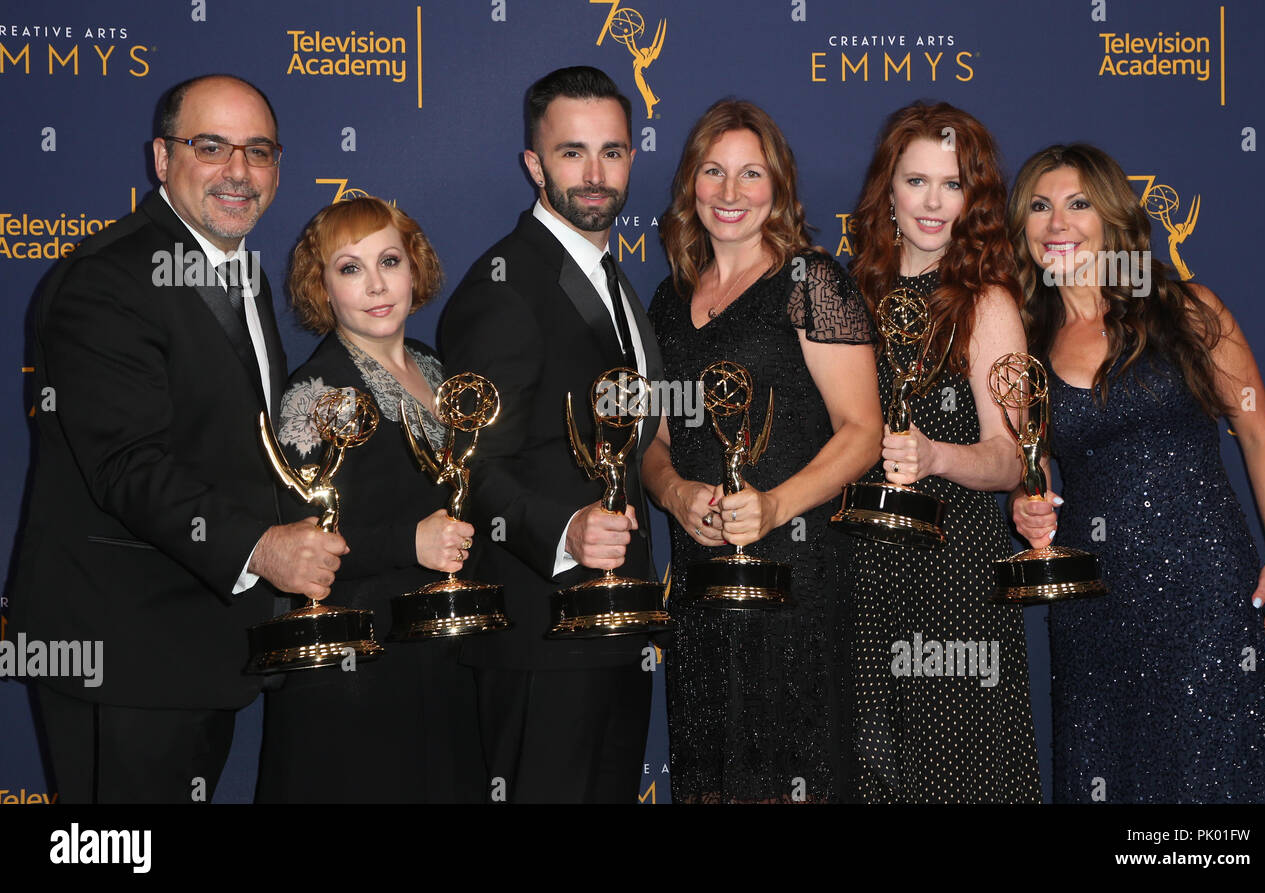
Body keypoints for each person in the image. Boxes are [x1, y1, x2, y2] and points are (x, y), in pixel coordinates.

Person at [8, 75, 347, 803]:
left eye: (258, 151)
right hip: (120, 650)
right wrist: (262, 546)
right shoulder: (106, 279)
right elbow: (127, 466)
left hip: (203, 643)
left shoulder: (241, 273)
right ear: (162, 159)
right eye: (211, 146)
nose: (238, 171)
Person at [1007, 143, 1265, 803]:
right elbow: (1033, 468)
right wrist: (1028, 506)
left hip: (1204, 594)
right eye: (1040, 207)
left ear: (1111, 215)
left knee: (1212, 775)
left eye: (1077, 204)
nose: (1057, 223)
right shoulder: (1022, 343)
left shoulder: (1187, 308)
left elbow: (1258, 431)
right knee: (1108, 768)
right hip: (1094, 606)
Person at [642, 100, 881, 803]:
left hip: (796, 576)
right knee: (713, 776)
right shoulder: (667, 298)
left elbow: (862, 430)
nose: (729, 192)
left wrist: (776, 503)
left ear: (777, 186)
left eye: (751, 173)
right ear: (692, 183)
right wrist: (673, 493)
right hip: (699, 583)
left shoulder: (812, 282)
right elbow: (655, 440)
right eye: (713, 172)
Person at [437, 66, 662, 803]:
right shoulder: (502, 288)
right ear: (535, 164)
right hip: (539, 639)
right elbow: (469, 467)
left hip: (613, 631)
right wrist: (565, 527)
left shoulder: (615, 281)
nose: (596, 174)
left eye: (613, 151)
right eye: (572, 153)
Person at [839, 101, 1041, 803]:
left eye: (951, 184)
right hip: (860, 567)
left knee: (952, 766)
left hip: (951, 570)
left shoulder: (984, 301)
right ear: (886, 190)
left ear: (974, 197)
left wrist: (933, 455)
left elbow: (1012, 457)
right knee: (871, 764)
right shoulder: (848, 294)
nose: (931, 202)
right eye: (915, 180)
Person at [255, 197, 486, 803]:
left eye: (390, 260)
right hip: (354, 671)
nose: (377, 284)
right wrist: (407, 541)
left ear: (416, 268)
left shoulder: (438, 369)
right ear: (322, 287)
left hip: (441, 661)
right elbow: (296, 542)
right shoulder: (315, 389)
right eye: (350, 268)